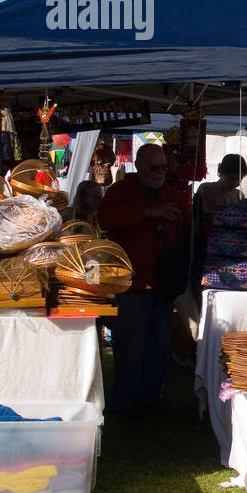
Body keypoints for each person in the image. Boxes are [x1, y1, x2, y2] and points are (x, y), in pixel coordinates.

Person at [99, 143, 192, 415]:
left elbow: (185, 227)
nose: (160, 172)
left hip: (162, 284)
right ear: (139, 165)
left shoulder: (171, 193)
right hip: (132, 284)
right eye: (155, 167)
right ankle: (125, 402)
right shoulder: (121, 191)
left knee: (158, 346)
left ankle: (150, 400)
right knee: (130, 346)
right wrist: (147, 213)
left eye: (164, 167)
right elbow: (105, 219)